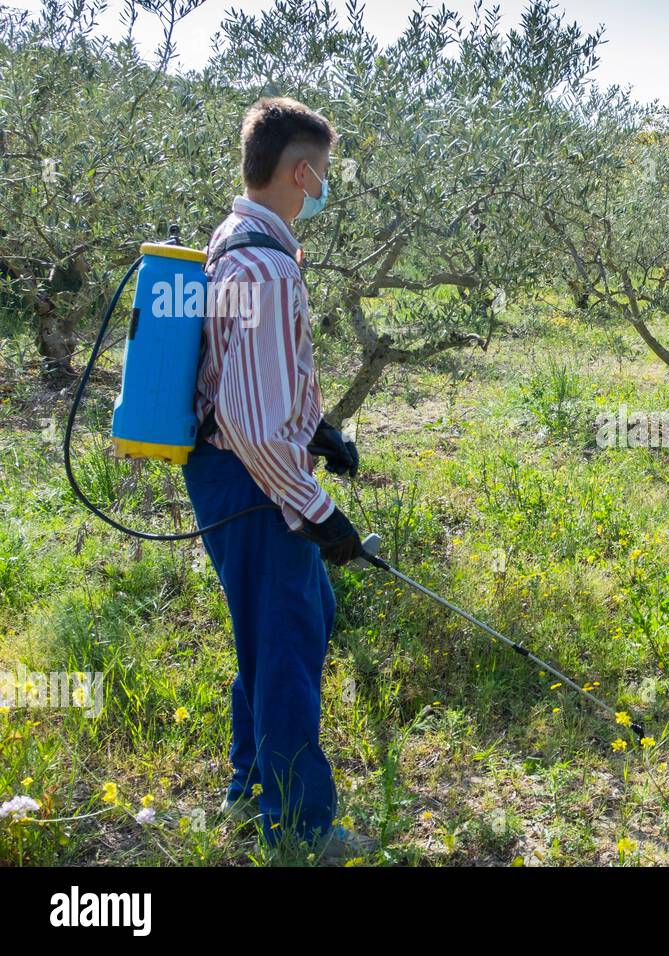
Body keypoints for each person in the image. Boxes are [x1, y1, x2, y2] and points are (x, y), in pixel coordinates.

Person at [182, 96, 372, 860]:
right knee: (288, 642)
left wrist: (316, 429)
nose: (322, 187)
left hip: (231, 473)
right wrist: (318, 511)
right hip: (254, 486)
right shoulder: (263, 266)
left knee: (285, 629)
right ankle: (298, 828)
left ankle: (248, 790)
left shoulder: (236, 242)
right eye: (321, 175)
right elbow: (254, 426)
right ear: (300, 171)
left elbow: (243, 378)